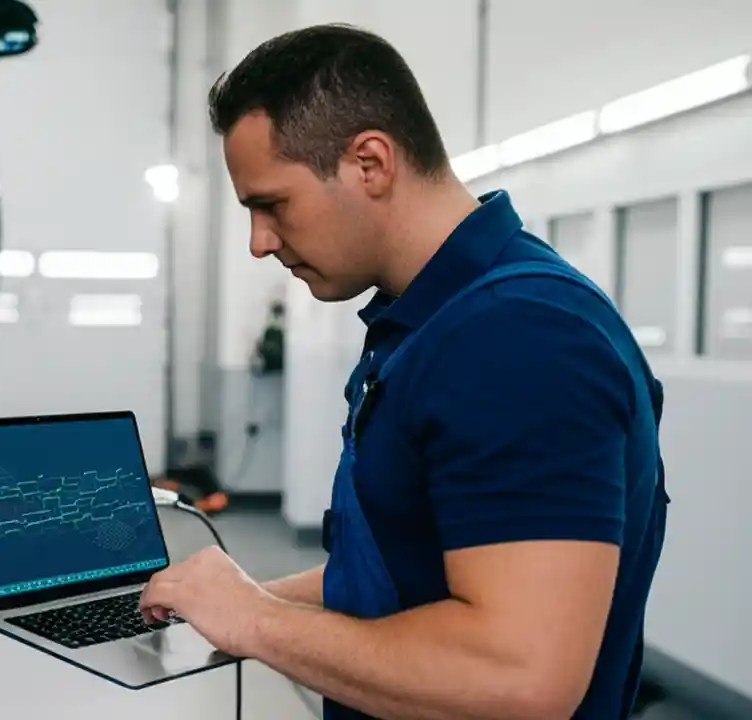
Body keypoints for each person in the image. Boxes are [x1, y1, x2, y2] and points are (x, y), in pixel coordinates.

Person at [139, 24, 669, 720]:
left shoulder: (517, 336)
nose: (259, 242)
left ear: (370, 162)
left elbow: (518, 678)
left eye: (271, 204)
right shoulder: (431, 321)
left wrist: (256, 622)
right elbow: (402, 569)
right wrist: (248, 598)